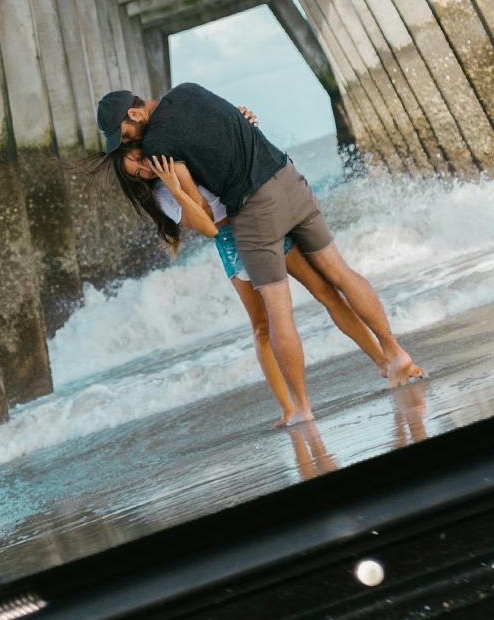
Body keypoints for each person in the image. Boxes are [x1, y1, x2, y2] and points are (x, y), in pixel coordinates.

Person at [99, 86, 422, 428]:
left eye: (126, 137)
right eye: (136, 166)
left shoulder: (158, 145)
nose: (135, 150)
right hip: (285, 179)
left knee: (285, 309)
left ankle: (307, 407)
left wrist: (241, 122)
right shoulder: (188, 92)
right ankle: (392, 355)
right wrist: (238, 126)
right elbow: (208, 208)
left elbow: (209, 187)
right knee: (329, 280)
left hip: (255, 214)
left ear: (134, 114)